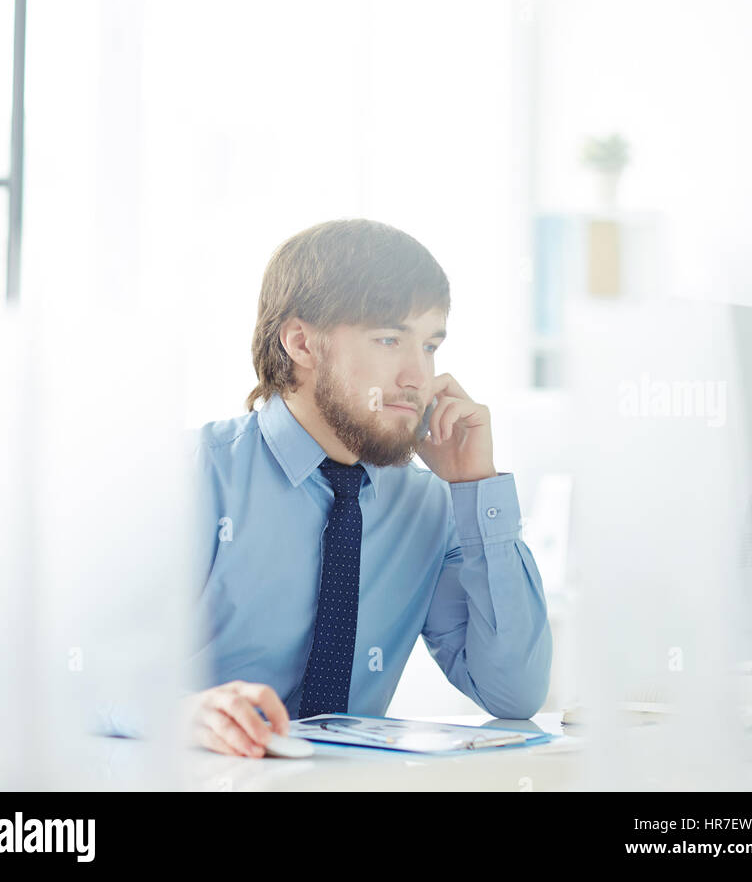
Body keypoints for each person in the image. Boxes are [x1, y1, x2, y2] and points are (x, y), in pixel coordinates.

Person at [183, 217, 552, 757]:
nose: (417, 376)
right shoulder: (194, 477)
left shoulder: (431, 506)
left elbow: (513, 692)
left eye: (429, 345)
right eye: (388, 338)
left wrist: (477, 485)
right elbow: (69, 672)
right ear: (302, 343)